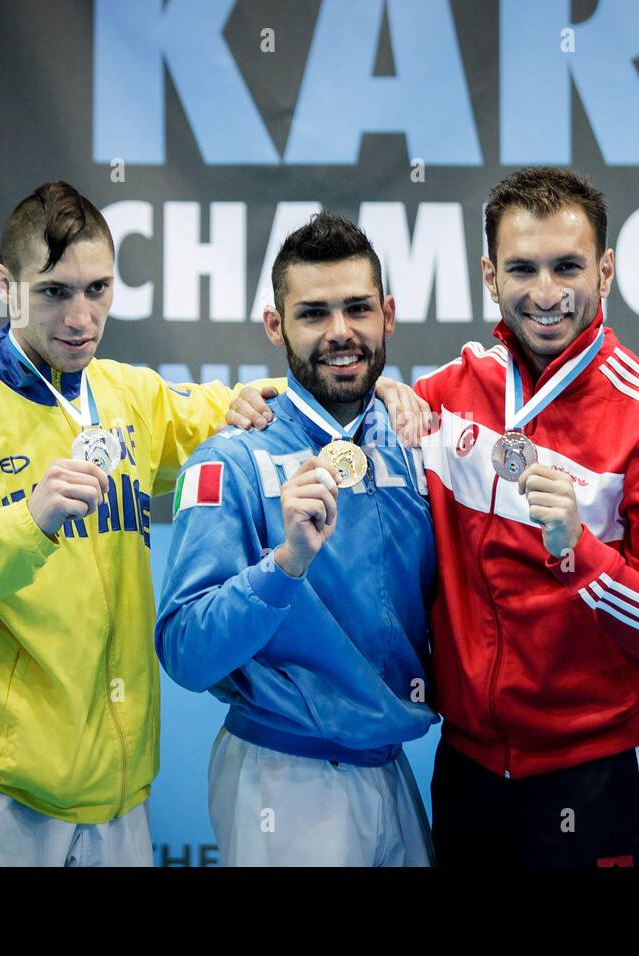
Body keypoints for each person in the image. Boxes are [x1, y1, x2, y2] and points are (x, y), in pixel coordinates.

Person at [0, 182, 417, 866]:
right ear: (5, 287)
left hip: (116, 792)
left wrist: (385, 390)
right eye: (54, 291)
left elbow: (282, 403)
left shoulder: (131, 398)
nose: (79, 316)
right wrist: (25, 526)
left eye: (97, 289)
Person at [413, 167, 639, 867]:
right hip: (467, 769)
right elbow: (338, 403)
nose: (546, 294)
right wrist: (260, 401)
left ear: (606, 271)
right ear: (489, 275)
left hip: (599, 773)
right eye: (523, 268)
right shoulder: (444, 397)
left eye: (568, 267)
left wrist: (584, 554)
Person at [154, 213, 436, 866]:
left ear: (388, 314)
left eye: (357, 309)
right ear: (275, 326)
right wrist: (284, 566)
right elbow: (186, 652)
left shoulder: (418, 443)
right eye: (314, 313)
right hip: (283, 780)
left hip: (392, 770)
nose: (340, 333)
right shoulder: (226, 461)